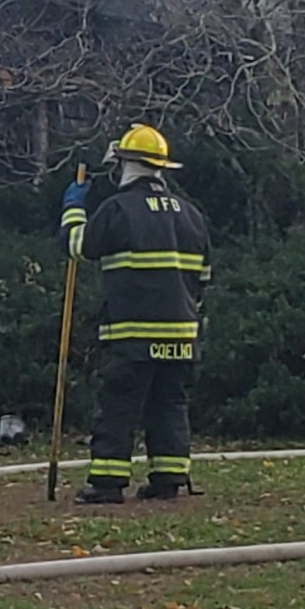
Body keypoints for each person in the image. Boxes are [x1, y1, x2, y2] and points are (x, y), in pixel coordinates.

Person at [77, 124, 212, 504]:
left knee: (118, 405)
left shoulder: (117, 209)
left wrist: (73, 209)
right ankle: (169, 478)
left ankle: (107, 484)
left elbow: (78, 245)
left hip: (132, 335)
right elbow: (203, 277)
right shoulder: (191, 214)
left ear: (124, 164)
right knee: (169, 404)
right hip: (181, 335)